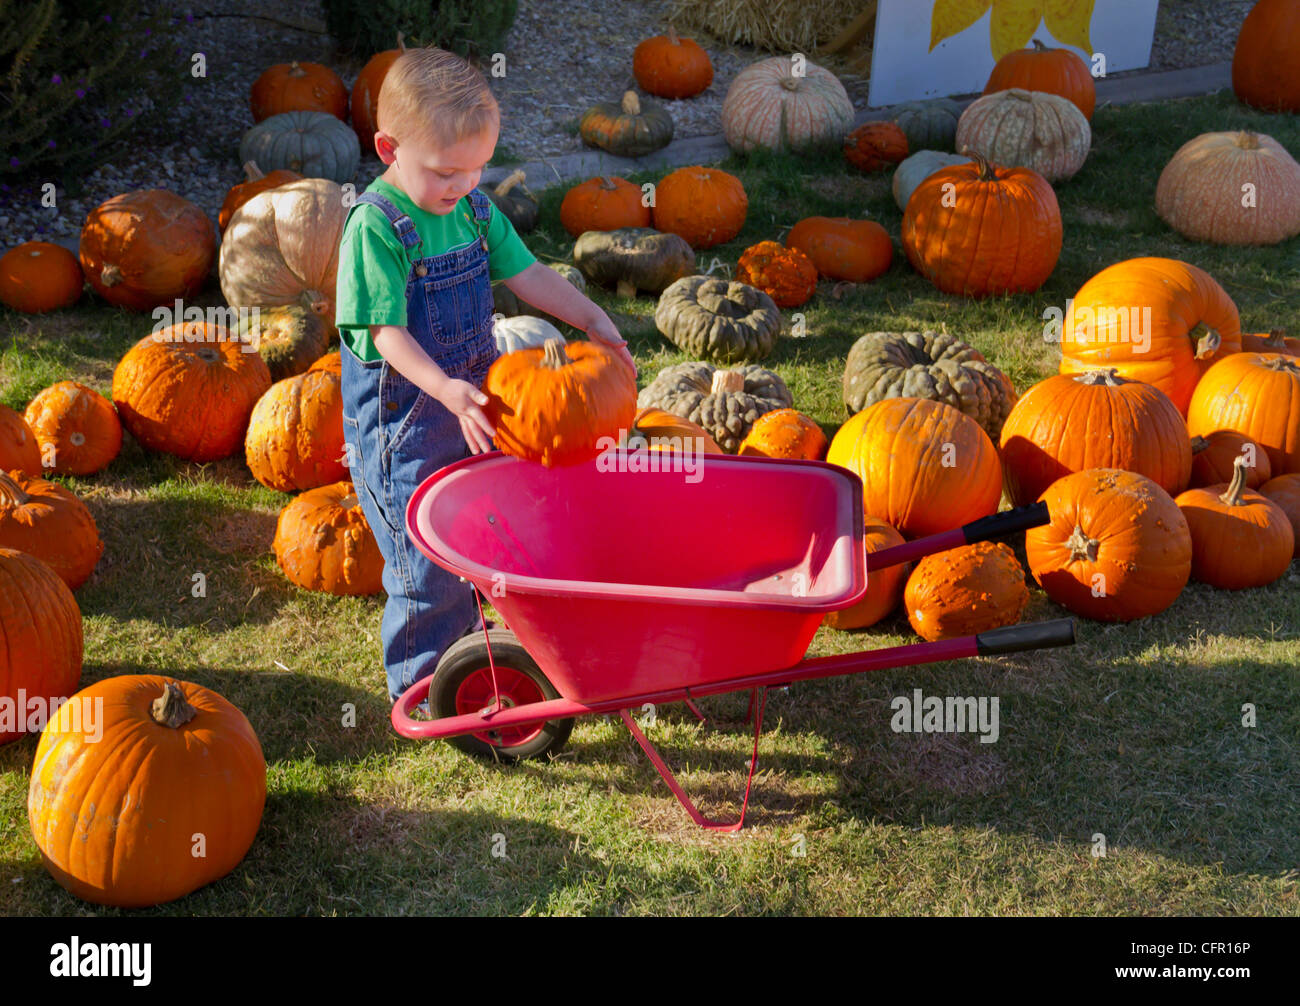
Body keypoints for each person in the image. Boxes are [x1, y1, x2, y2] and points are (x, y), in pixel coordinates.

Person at [334, 45, 636, 704]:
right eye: (446, 172)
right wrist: (442, 387)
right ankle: (426, 689)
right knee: (426, 563)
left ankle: (471, 652)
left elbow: (526, 274)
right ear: (389, 149)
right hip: (403, 428)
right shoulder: (377, 227)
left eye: (476, 170)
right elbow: (385, 333)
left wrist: (592, 320)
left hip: (471, 411)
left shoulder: (470, 210)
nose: (463, 186)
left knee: (485, 533)